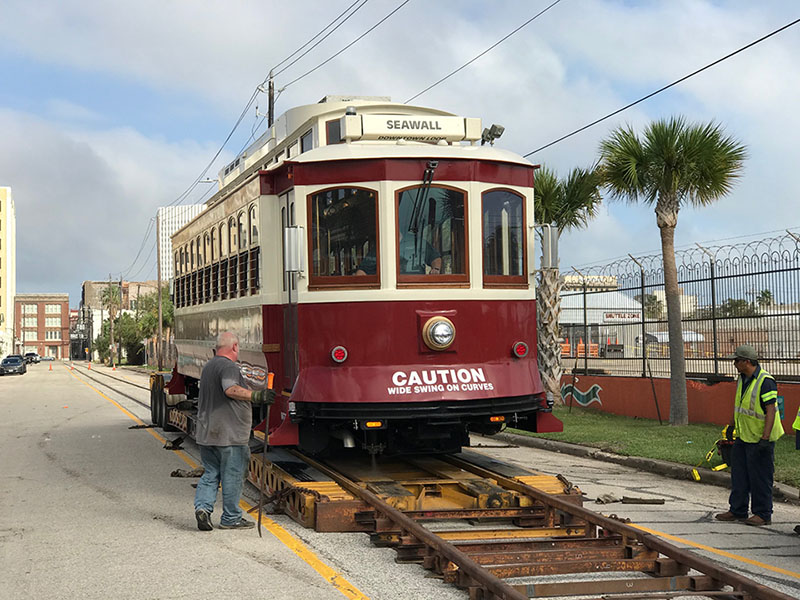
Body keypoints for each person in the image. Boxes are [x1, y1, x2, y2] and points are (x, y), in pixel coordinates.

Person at [193, 331, 274, 531]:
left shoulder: (209, 366)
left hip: (207, 432)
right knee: (233, 475)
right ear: (235, 347)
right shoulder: (228, 367)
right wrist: (257, 396)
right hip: (229, 434)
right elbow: (230, 389)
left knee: (211, 473)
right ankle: (231, 517)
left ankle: (203, 508)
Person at [715, 345, 783, 527]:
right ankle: (737, 509)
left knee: (760, 477)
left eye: (736, 360)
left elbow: (771, 411)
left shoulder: (766, 381)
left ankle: (763, 513)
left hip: (760, 438)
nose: (734, 363)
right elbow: (739, 406)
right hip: (744, 436)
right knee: (739, 475)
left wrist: (765, 438)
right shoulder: (742, 379)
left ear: (746, 361)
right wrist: (730, 426)